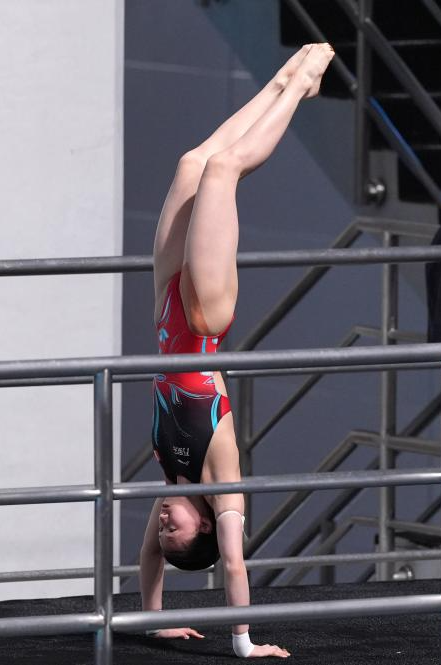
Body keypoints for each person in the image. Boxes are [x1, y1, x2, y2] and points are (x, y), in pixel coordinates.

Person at [139, 43, 335, 657]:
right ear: (202, 525)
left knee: (193, 160)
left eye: (162, 531)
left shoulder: (171, 478)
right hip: (204, 314)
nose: (166, 525)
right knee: (224, 170)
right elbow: (233, 567)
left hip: (168, 309)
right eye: (178, 532)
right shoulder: (221, 489)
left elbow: (149, 565)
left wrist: (154, 618)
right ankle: (297, 89)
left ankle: (282, 81)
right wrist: (244, 645)